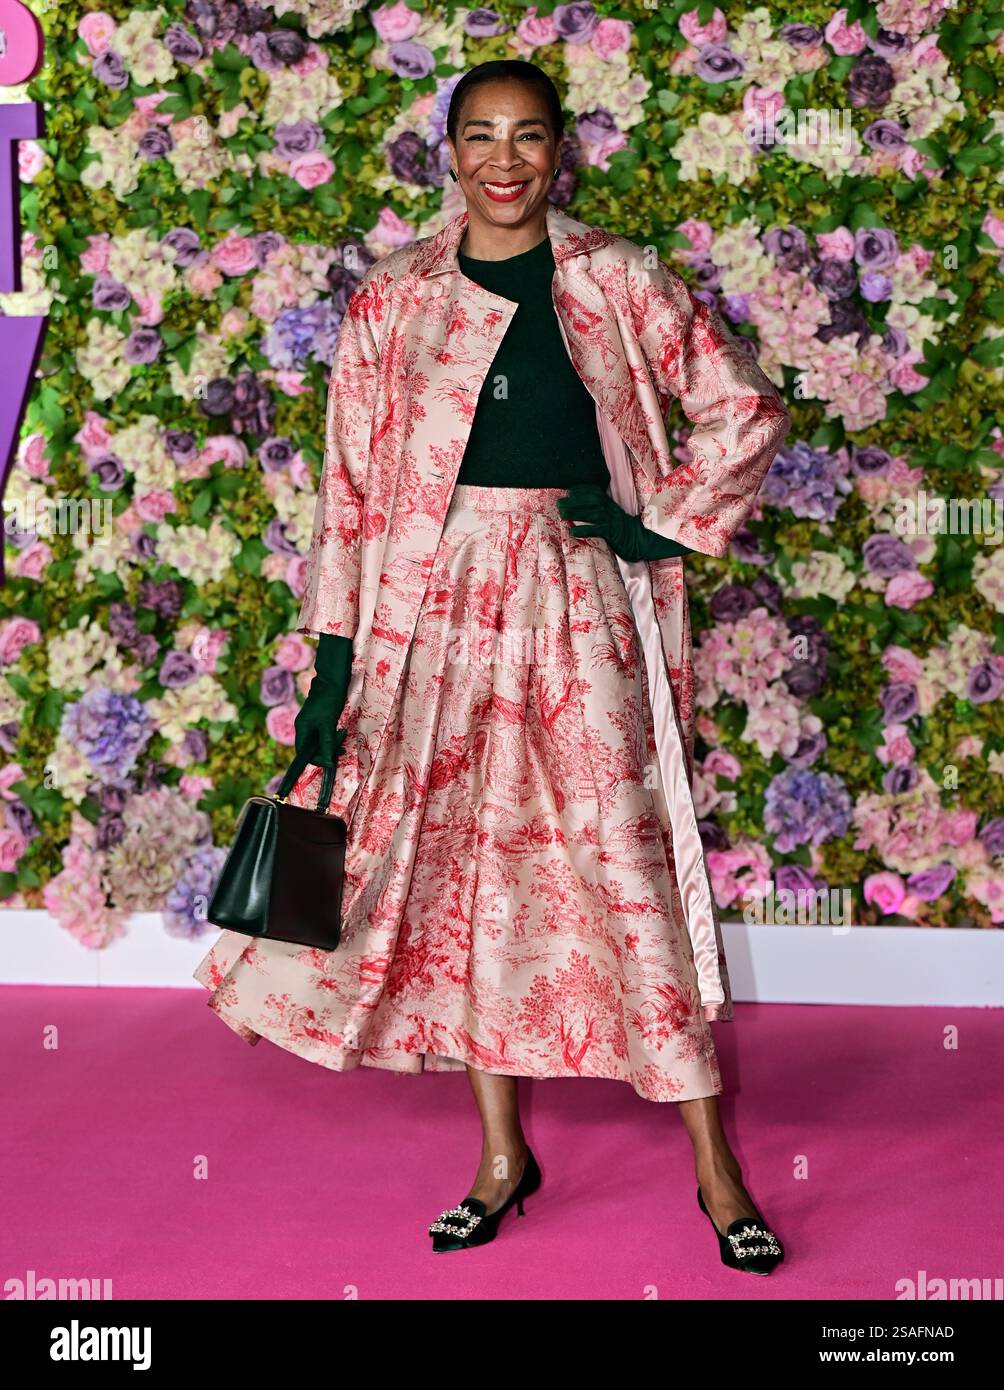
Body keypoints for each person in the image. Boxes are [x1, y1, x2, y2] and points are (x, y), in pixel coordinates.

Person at [193, 59, 791, 1275]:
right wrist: (329, 673)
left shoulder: (615, 276)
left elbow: (740, 405)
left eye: (527, 137)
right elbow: (350, 503)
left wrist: (655, 523)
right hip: (428, 614)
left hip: (576, 604)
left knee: (620, 862)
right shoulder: (393, 300)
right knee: (464, 871)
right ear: (447, 149)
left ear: (558, 150)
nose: (504, 161)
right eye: (480, 136)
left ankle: (715, 1170)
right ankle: (499, 1157)